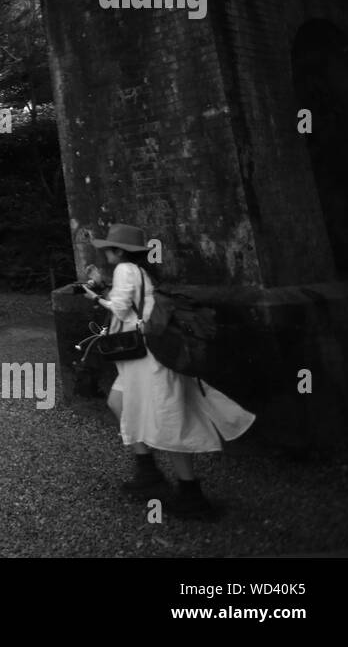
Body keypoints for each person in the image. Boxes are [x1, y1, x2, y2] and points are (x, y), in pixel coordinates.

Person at [81, 223, 255, 520]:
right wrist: (103, 289)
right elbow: (130, 303)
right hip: (140, 359)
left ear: (119, 251)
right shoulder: (139, 272)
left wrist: (93, 297)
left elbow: (121, 309)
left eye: (109, 248)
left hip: (150, 360)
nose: (105, 253)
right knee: (118, 403)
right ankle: (147, 470)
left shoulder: (125, 270)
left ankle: (191, 494)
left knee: (167, 422)